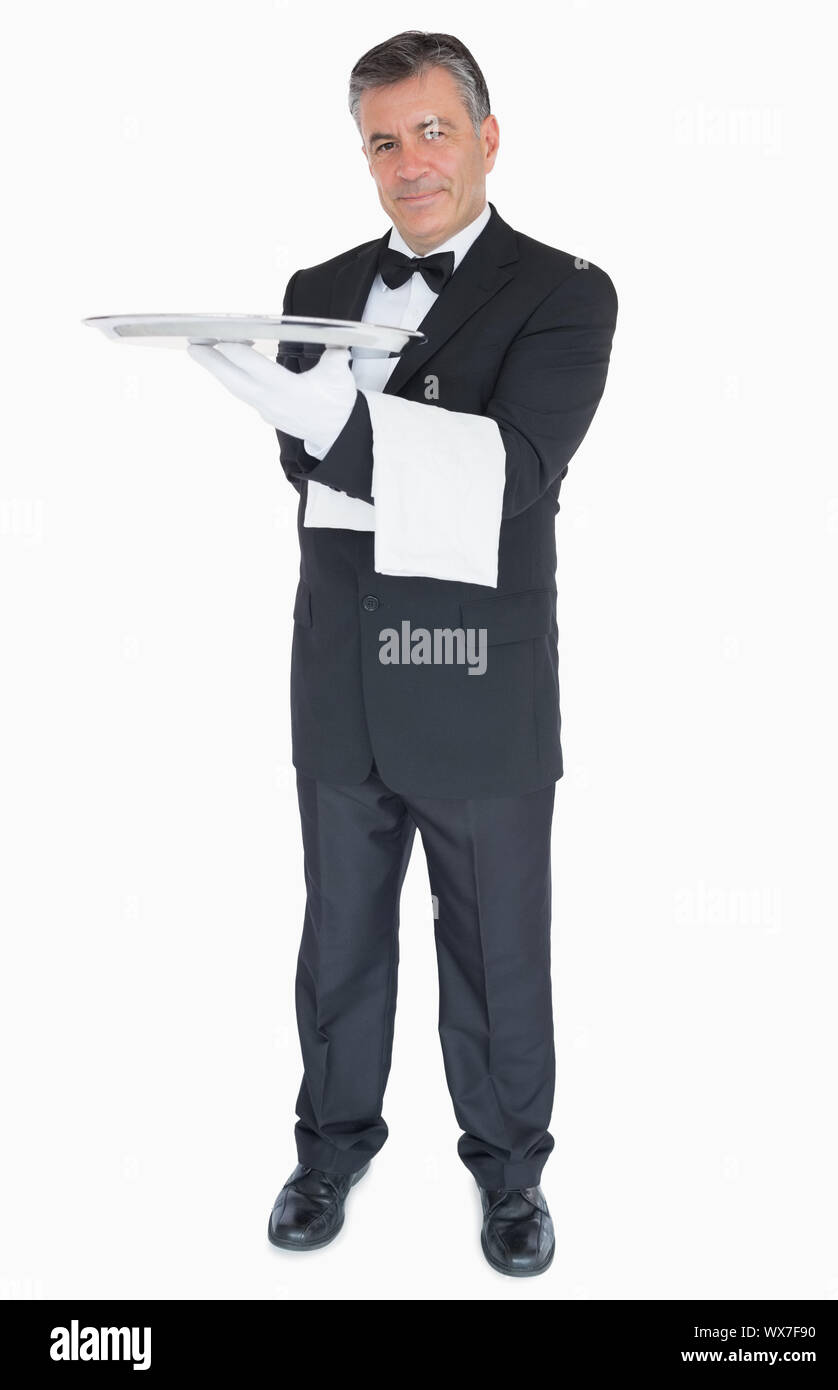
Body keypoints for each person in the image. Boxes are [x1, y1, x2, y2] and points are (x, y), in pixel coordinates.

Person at [187, 29, 618, 1278]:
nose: (409, 162)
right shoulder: (316, 280)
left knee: (495, 943)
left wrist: (333, 422)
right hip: (336, 676)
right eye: (384, 140)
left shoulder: (563, 289)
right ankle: (328, 1151)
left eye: (433, 131)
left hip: (476, 677)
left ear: (487, 136)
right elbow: (299, 468)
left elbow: (515, 477)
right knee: (338, 938)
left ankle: (509, 1175)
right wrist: (343, 439)